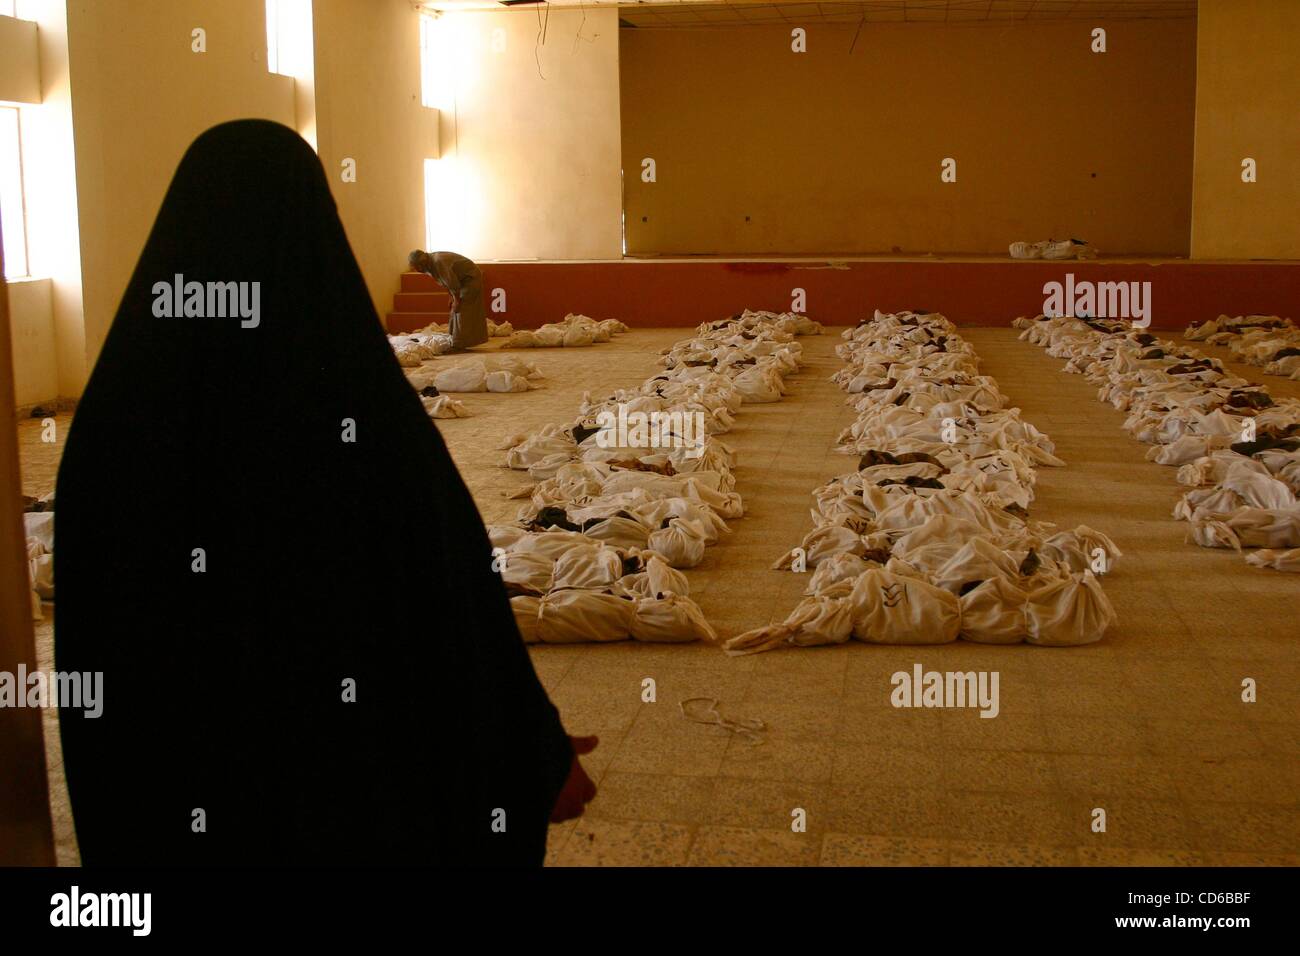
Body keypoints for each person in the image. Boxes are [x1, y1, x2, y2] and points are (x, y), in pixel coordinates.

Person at [54, 119, 595, 866]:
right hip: (348, 802)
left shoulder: (113, 427)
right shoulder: (356, 414)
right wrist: (529, 748)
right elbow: (448, 604)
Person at [408, 249, 488, 351]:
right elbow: (444, 281)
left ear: (422, 262)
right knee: (454, 309)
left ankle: (459, 344)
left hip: (470, 278)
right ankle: (454, 339)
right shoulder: (429, 265)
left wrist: (457, 300)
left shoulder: (438, 262)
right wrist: (451, 297)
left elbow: (452, 282)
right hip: (460, 281)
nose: (418, 270)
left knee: (461, 309)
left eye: (417, 267)